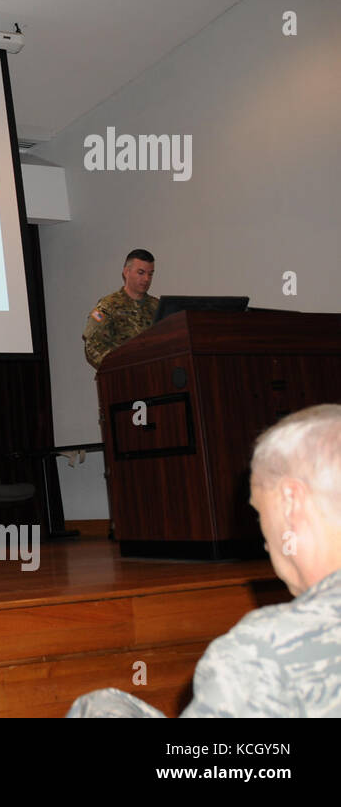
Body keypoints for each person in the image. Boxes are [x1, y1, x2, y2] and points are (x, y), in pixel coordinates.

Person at [67, 404, 341, 717]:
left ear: (291, 502)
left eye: (260, 512)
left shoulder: (265, 650)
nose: (266, 542)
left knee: (99, 708)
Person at [83, 249, 158, 370]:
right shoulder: (107, 306)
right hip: (121, 378)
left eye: (150, 274)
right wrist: (120, 365)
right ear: (126, 272)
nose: (146, 279)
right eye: (141, 273)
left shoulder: (157, 306)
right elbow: (93, 346)